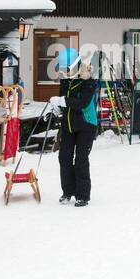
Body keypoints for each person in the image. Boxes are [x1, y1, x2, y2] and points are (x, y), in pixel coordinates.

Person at [56, 48, 98, 206]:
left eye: (67, 68)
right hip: (68, 124)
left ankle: (82, 195)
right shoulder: (65, 79)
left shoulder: (88, 79)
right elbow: (63, 99)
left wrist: (63, 102)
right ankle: (68, 191)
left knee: (81, 158)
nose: (65, 72)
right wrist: (57, 106)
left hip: (86, 124)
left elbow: (82, 103)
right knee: (64, 157)